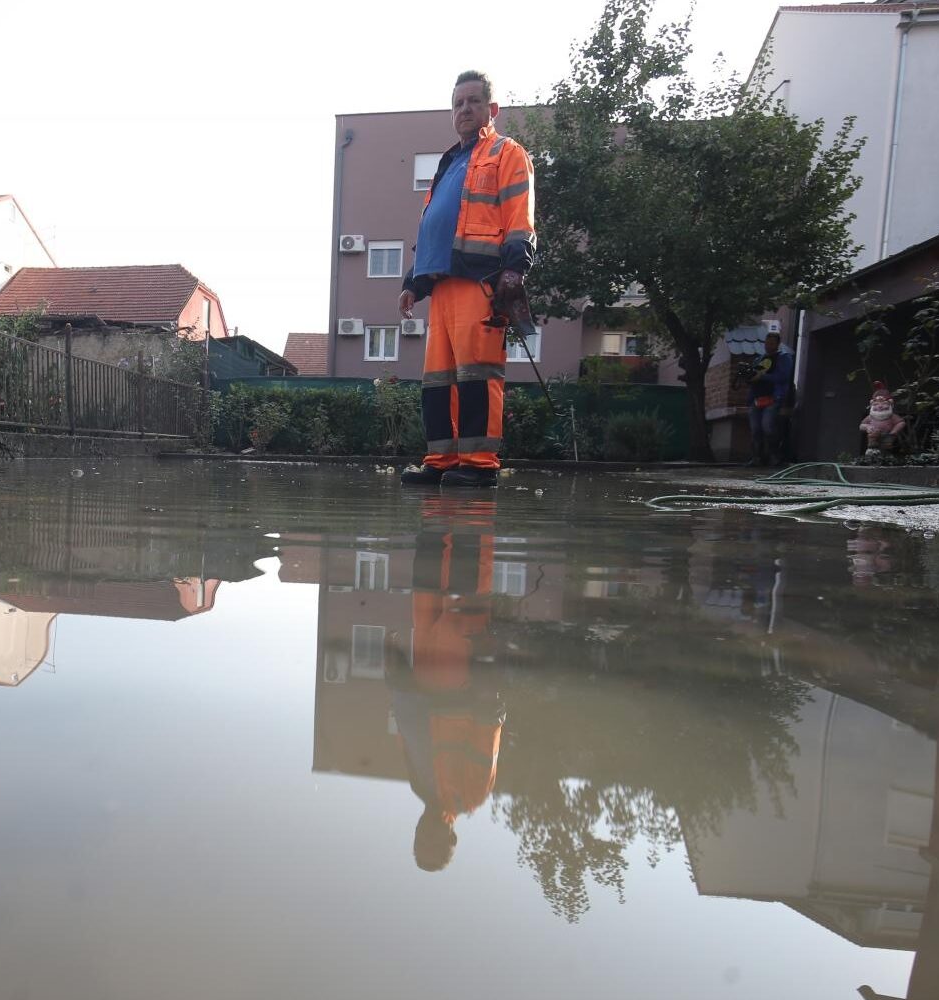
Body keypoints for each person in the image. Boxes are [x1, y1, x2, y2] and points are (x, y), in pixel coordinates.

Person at [398, 70, 536, 489]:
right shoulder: (446, 164)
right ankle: (441, 460)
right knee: (438, 380)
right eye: (458, 103)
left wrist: (514, 269)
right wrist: (413, 282)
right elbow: (431, 228)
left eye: (473, 102)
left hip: (482, 281)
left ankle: (478, 463)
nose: (464, 110)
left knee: (477, 372)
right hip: (441, 285)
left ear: (491, 110)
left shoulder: (506, 153)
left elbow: (518, 215)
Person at [388, 499, 507, 871]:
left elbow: (410, 730)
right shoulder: (470, 795)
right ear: (450, 838)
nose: (425, 833)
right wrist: (488, 676)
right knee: (467, 573)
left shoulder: (417, 787)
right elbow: (488, 735)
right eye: (432, 842)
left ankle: (437, 507)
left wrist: (395, 672)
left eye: (419, 840)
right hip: (458, 678)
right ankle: (474, 508)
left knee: (427, 568)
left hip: (424, 662)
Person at [747, 332, 795, 467]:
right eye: (767, 343)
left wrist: (761, 377)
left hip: (773, 398)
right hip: (756, 398)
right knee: (755, 429)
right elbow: (752, 377)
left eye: (771, 344)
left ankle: (774, 455)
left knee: (767, 426)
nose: (768, 346)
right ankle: (756, 457)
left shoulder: (784, 358)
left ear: (778, 344)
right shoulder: (759, 359)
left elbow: (783, 377)